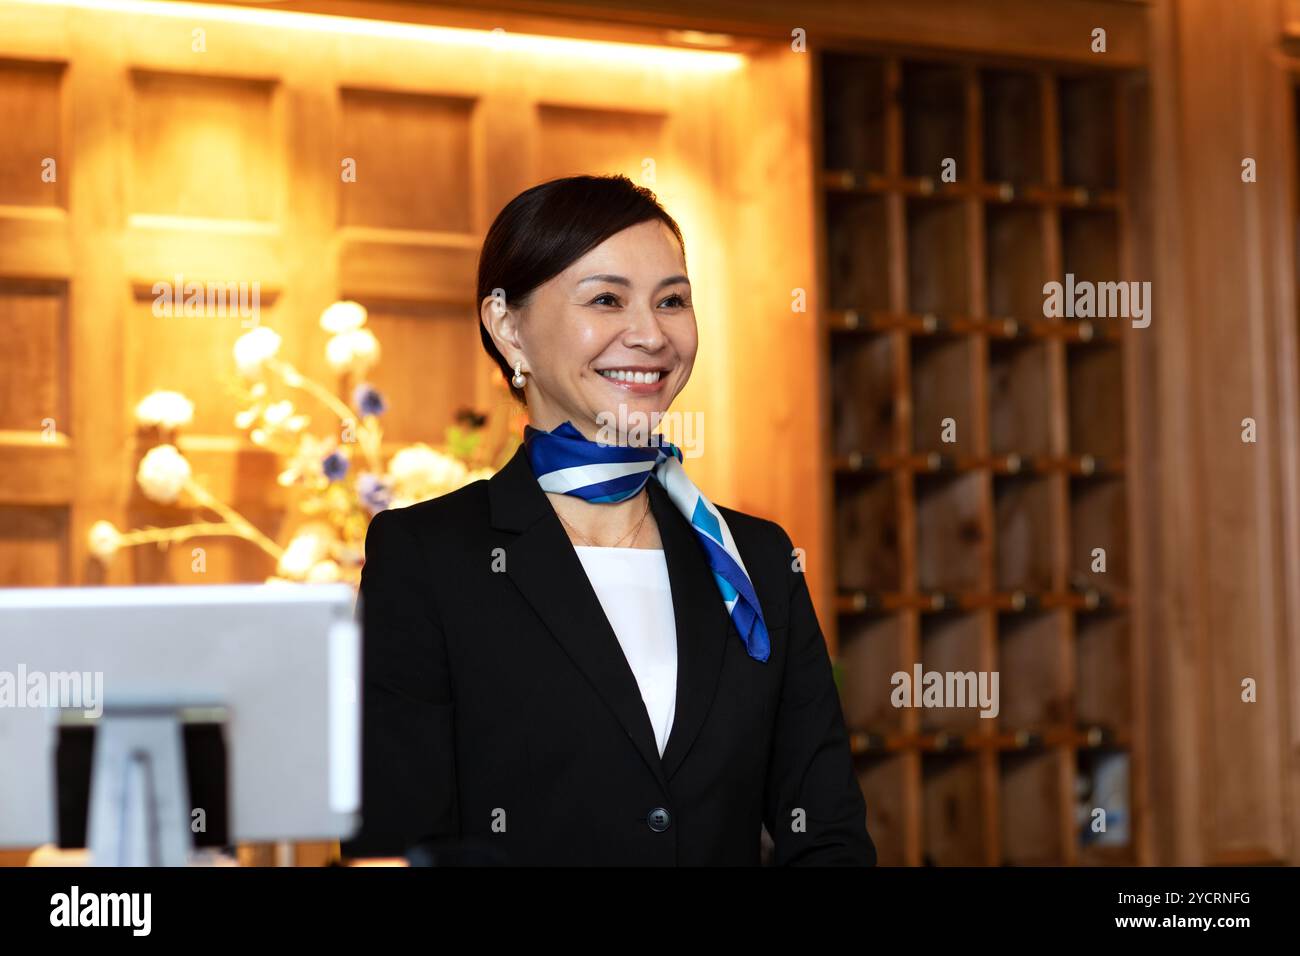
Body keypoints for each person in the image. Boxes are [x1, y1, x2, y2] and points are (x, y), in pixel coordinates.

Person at [341, 173, 875, 866]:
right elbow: (397, 843)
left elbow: (827, 835)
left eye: (672, 301)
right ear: (509, 329)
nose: (651, 335)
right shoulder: (429, 558)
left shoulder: (756, 560)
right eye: (606, 299)